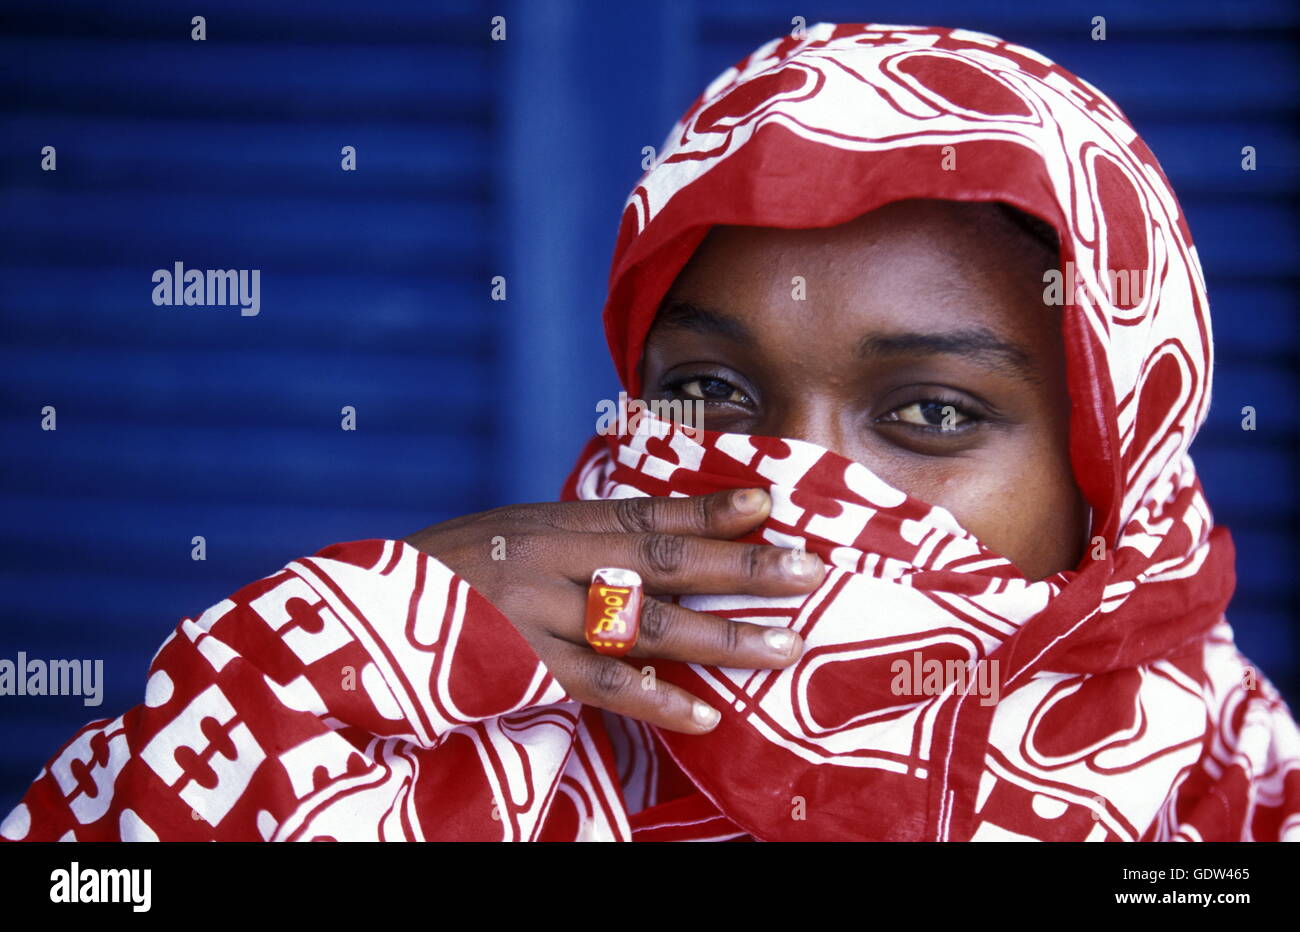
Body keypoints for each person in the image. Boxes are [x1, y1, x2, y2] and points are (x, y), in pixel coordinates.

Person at [3, 22, 1298, 842]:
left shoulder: (1230, 786)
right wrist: (308, 672)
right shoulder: (455, 752)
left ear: (1113, 478)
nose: (792, 490)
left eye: (929, 414)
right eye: (712, 398)